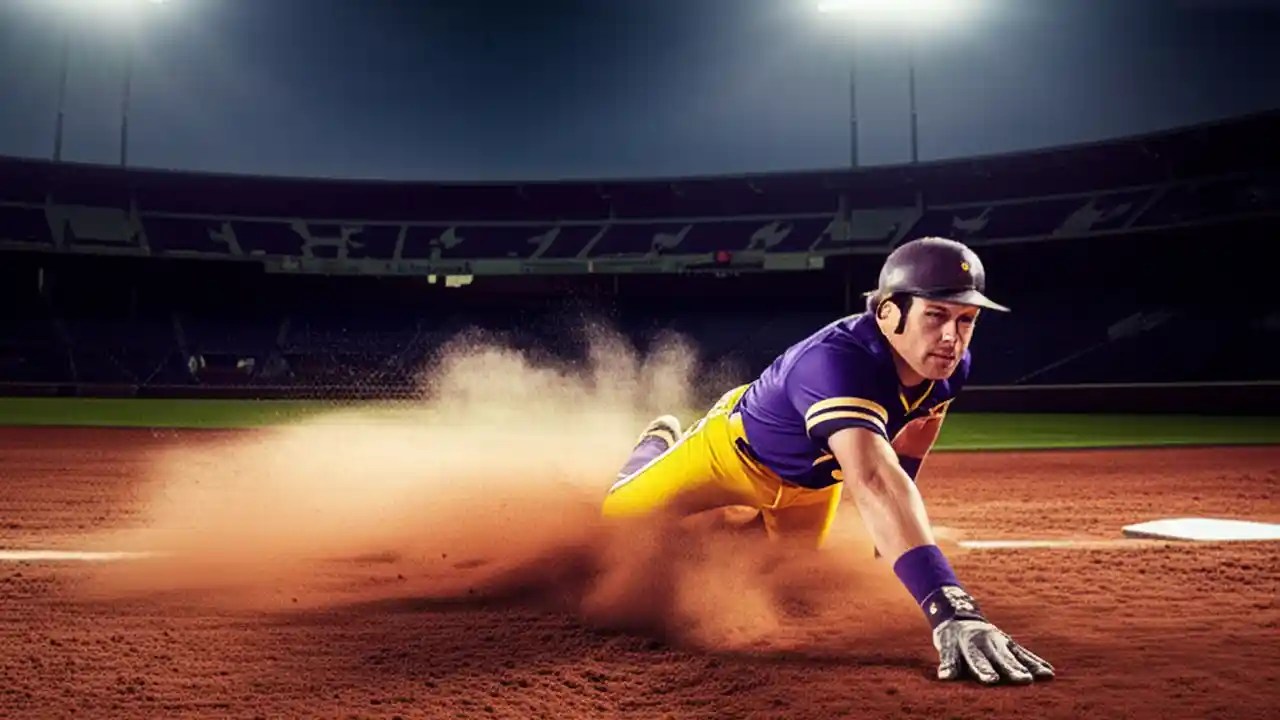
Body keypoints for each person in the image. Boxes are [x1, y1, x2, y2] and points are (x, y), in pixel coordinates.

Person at [601, 236, 1054, 686]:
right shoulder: (837, 363)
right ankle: (658, 442)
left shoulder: (950, 365)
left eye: (967, 320)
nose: (952, 337)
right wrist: (949, 607)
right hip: (730, 455)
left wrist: (889, 534)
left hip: (812, 487)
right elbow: (874, 479)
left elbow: (917, 432)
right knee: (615, 520)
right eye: (935, 315)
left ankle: (731, 527)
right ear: (888, 313)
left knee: (782, 583)